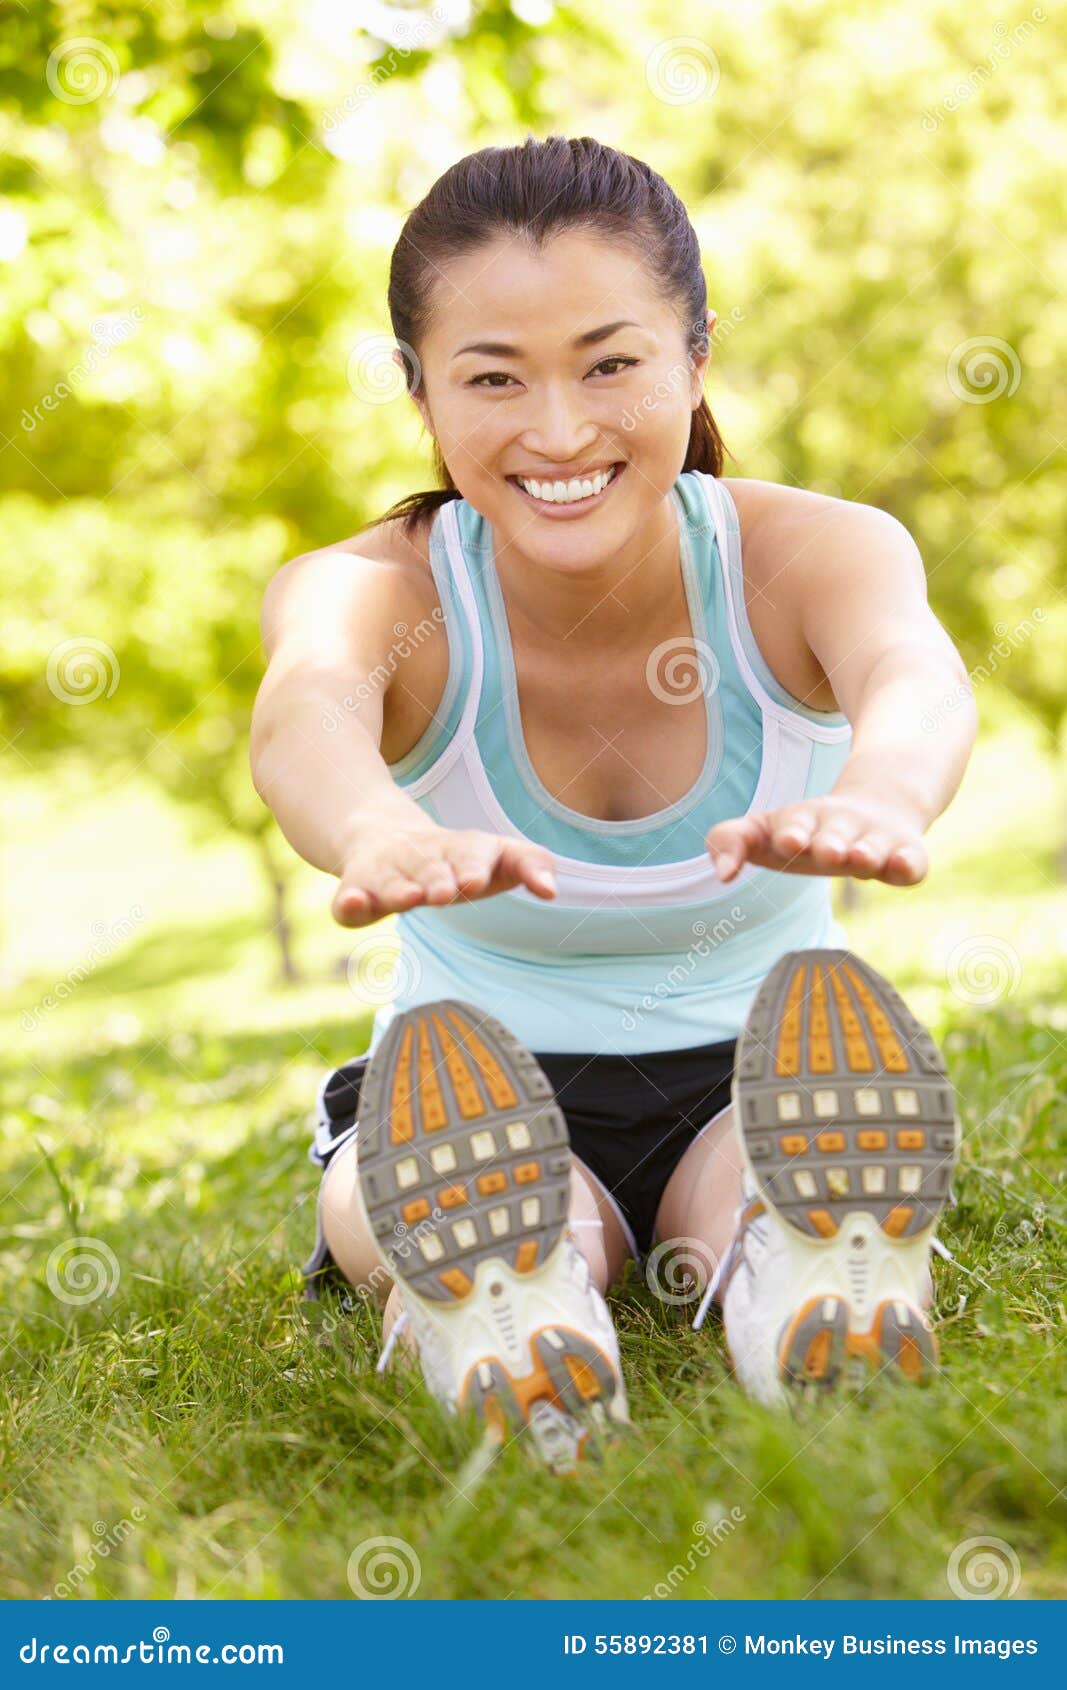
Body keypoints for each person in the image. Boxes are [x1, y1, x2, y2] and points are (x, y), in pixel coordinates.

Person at [250, 135, 977, 1469]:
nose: (560, 430)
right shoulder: (370, 590)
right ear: (420, 391)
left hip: (762, 1075)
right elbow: (308, 709)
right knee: (400, 1193)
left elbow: (912, 673)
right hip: (471, 1087)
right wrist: (373, 827)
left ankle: (811, 1284)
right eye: (493, 378)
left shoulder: (814, 553)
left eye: (609, 364)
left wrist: (882, 790)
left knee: (772, 1186)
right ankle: (500, 1304)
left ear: (695, 358)